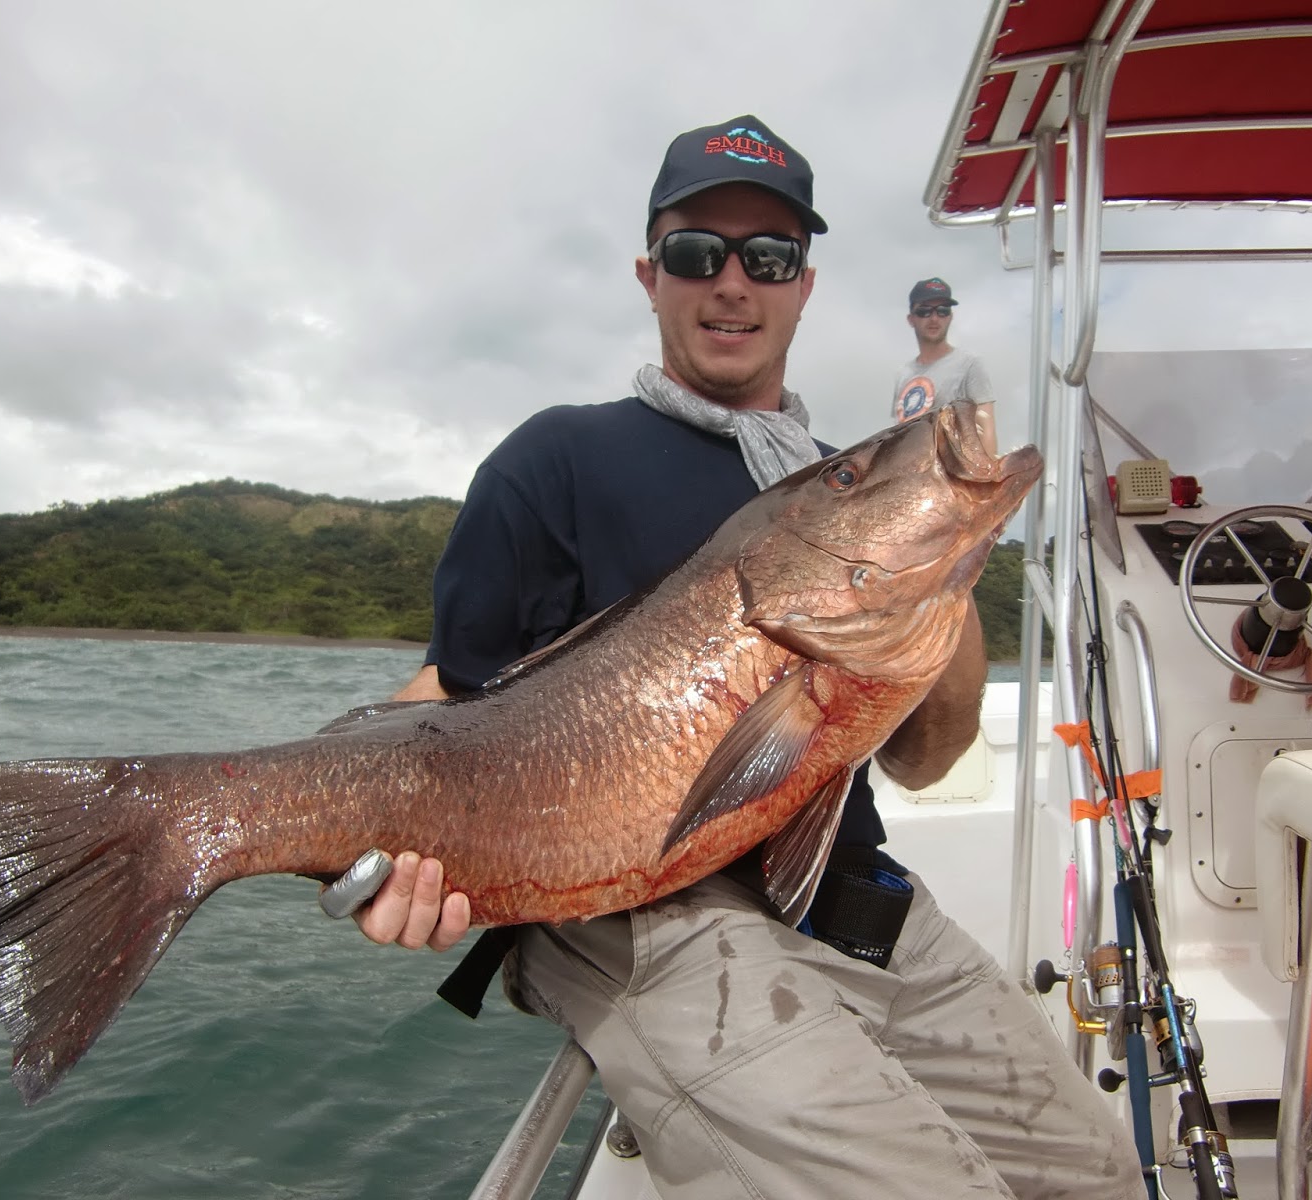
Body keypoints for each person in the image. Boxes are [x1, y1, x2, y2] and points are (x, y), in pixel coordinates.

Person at [351, 115, 1140, 1198]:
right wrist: (372, 851)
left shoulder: (834, 476)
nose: (731, 282)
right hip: (642, 920)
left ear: (803, 286)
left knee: (1097, 1173)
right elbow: (447, 692)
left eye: (766, 257)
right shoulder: (557, 458)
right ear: (649, 274)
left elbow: (919, 763)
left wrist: (939, 579)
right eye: (696, 252)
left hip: (856, 900)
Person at [891, 276, 998, 456]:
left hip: (950, 479)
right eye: (924, 311)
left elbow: (986, 429)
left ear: (950, 317)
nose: (934, 318)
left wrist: (985, 481)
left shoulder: (970, 364)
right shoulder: (903, 373)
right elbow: (898, 434)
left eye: (942, 311)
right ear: (911, 319)